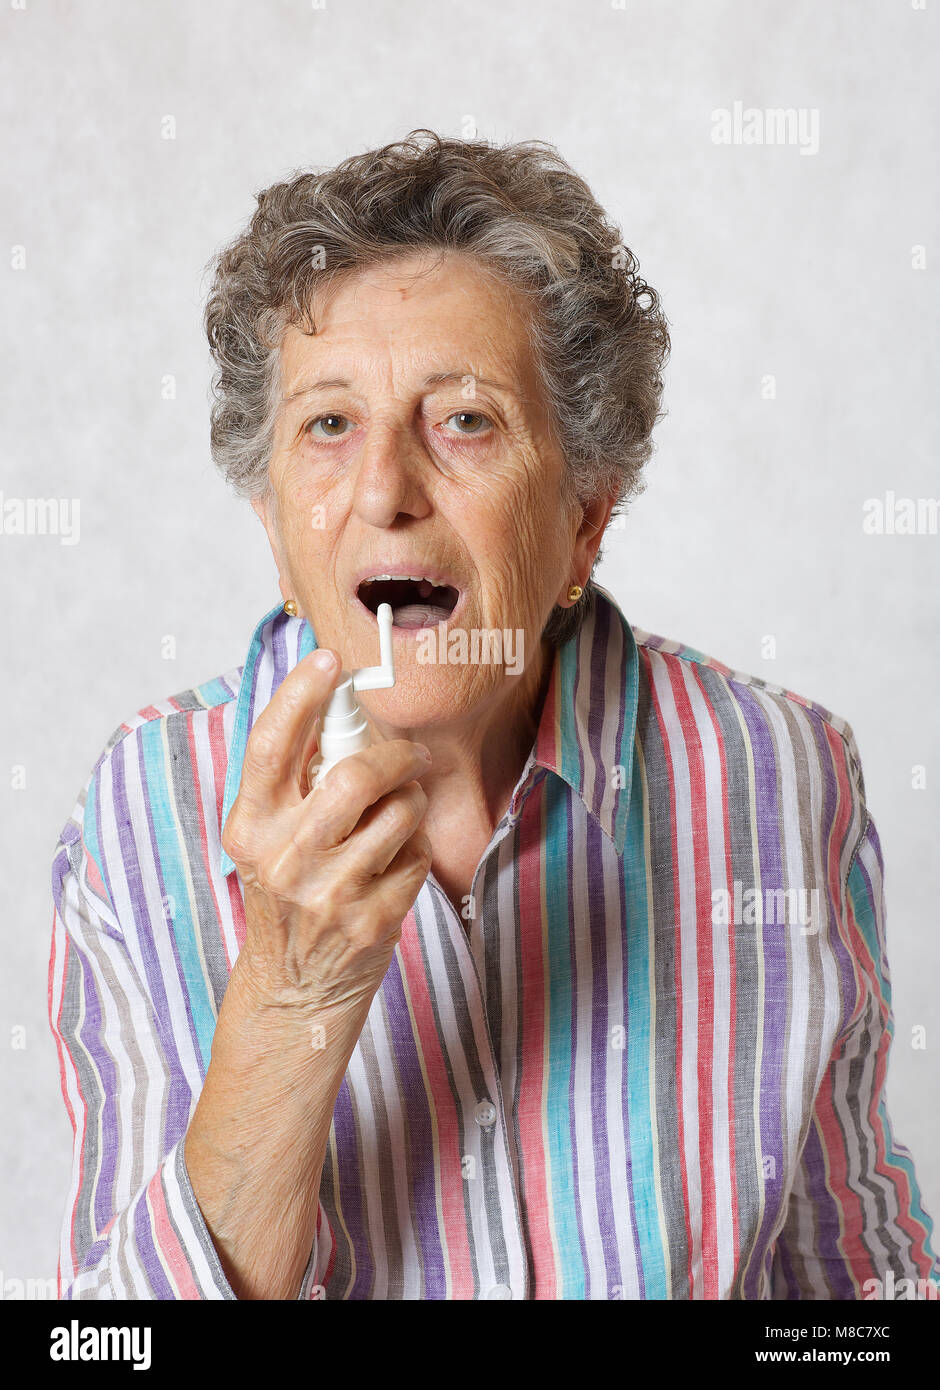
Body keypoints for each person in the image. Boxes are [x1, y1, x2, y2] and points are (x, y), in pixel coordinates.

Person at [49, 129, 938, 1300]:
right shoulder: (144, 809)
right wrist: (287, 1001)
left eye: (463, 420)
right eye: (328, 424)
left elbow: (857, 1279)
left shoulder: (775, 770)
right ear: (273, 524)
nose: (383, 490)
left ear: (584, 515)